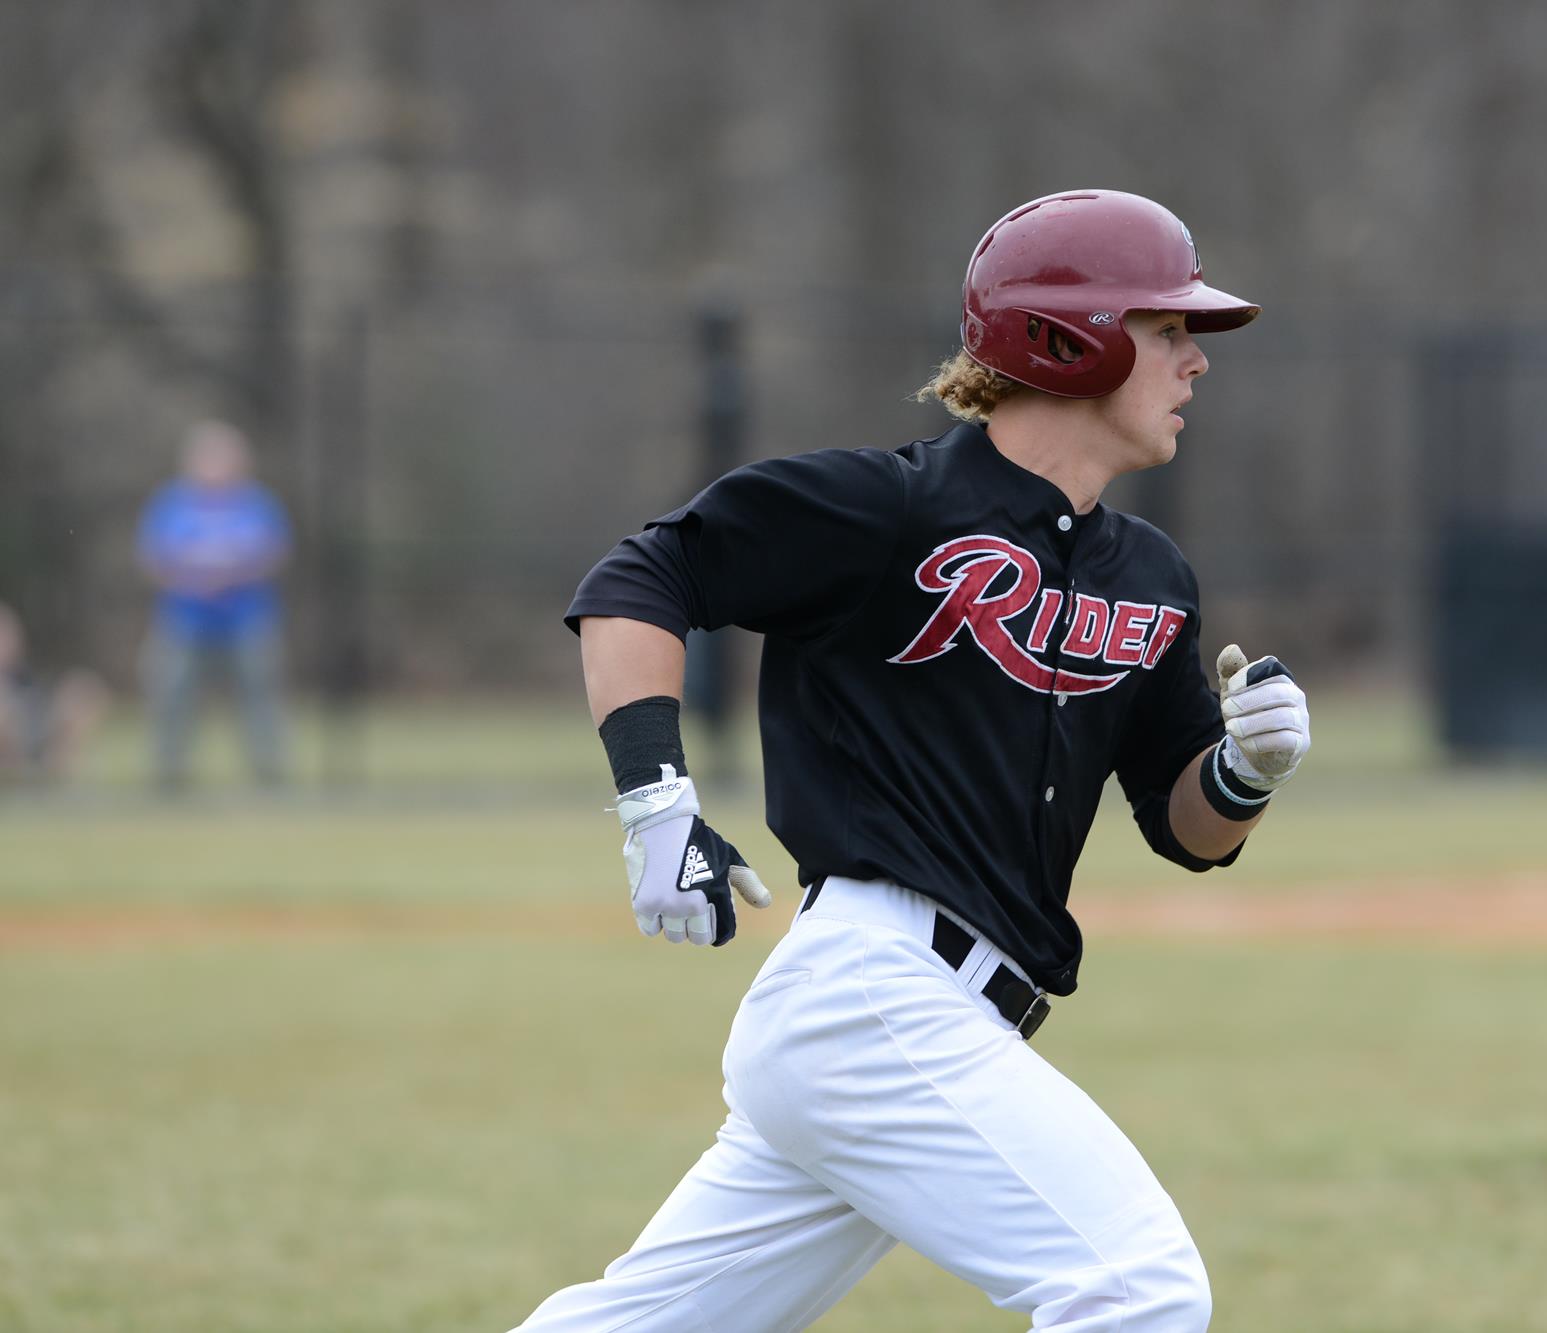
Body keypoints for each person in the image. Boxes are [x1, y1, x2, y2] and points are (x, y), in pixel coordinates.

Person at [513, 190, 1313, 1332]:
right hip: (875, 992)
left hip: (915, 1020)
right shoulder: (886, 509)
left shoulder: (1151, 574)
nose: (1193, 362)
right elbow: (641, 580)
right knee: (1134, 1287)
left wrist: (1244, 770)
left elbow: (1184, 829)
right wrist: (655, 802)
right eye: (1165, 329)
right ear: (1066, 338)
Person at [135, 420, 292, 788]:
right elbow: (153, 557)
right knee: (171, 694)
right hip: (184, 621)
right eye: (208, 457)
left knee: (261, 696)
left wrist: (230, 577)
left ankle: (270, 775)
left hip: (248, 620)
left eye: (224, 458)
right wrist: (193, 580)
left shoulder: (257, 503)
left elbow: (275, 551)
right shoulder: (171, 503)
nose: (216, 465)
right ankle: (168, 776)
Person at [0, 601, 108, 783]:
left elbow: (39, 702)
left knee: (83, 687)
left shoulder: (23, 676)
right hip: (11, 744)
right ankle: (19, 776)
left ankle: (54, 770)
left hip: (36, 730)